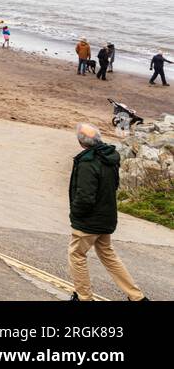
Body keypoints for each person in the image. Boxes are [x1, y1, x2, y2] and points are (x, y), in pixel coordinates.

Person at [67, 123, 146, 301]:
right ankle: (137, 297)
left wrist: (76, 215)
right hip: (107, 216)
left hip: (89, 220)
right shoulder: (109, 157)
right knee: (108, 255)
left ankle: (84, 297)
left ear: (81, 143)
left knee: (76, 254)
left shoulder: (87, 162)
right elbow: (115, 185)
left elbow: (85, 196)